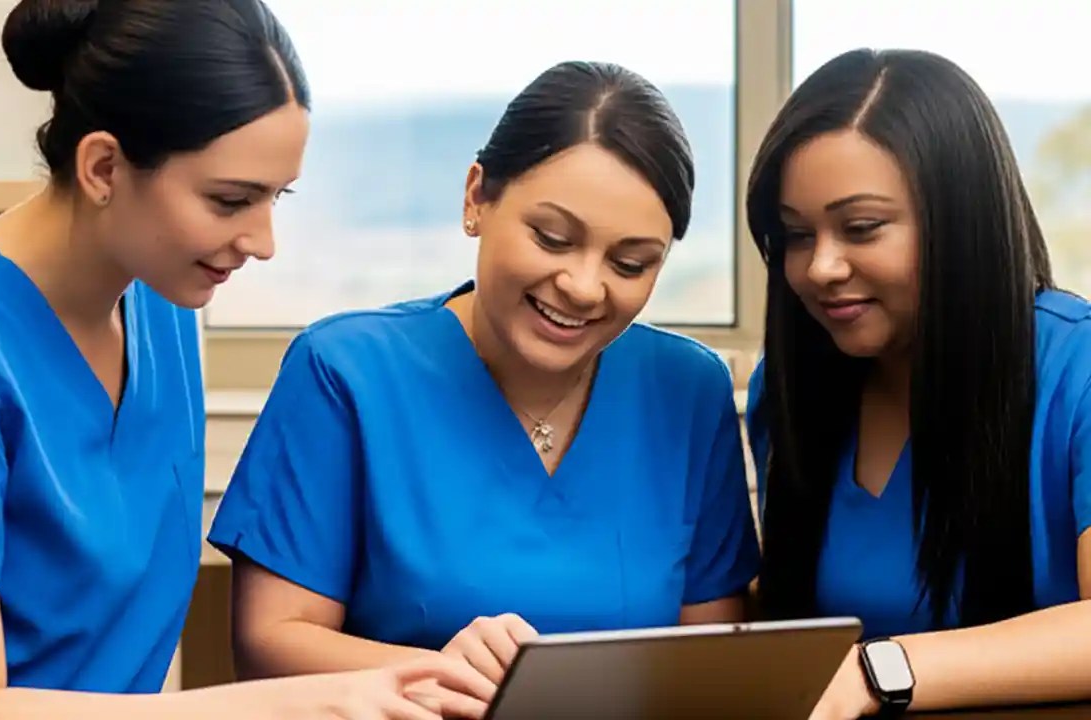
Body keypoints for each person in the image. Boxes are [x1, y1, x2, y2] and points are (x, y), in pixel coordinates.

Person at [0, 1, 490, 719]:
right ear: (103, 166)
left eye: (275, 198)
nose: (263, 242)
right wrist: (309, 702)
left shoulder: (163, 309)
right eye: (231, 200)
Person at [207, 59, 761, 700]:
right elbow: (270, 642)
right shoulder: (346, 371)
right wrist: (442, 670)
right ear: (477, 198)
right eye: (552, 238)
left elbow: (711, 662)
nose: (583, 287)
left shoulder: (688, 391)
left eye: (631, 263)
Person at [745, 48, 1091, 719]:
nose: (819, 268)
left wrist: (877, 671)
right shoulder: (787, 389)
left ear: (960, 220)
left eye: (861, 228)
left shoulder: (1077, 368)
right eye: (793, 235)